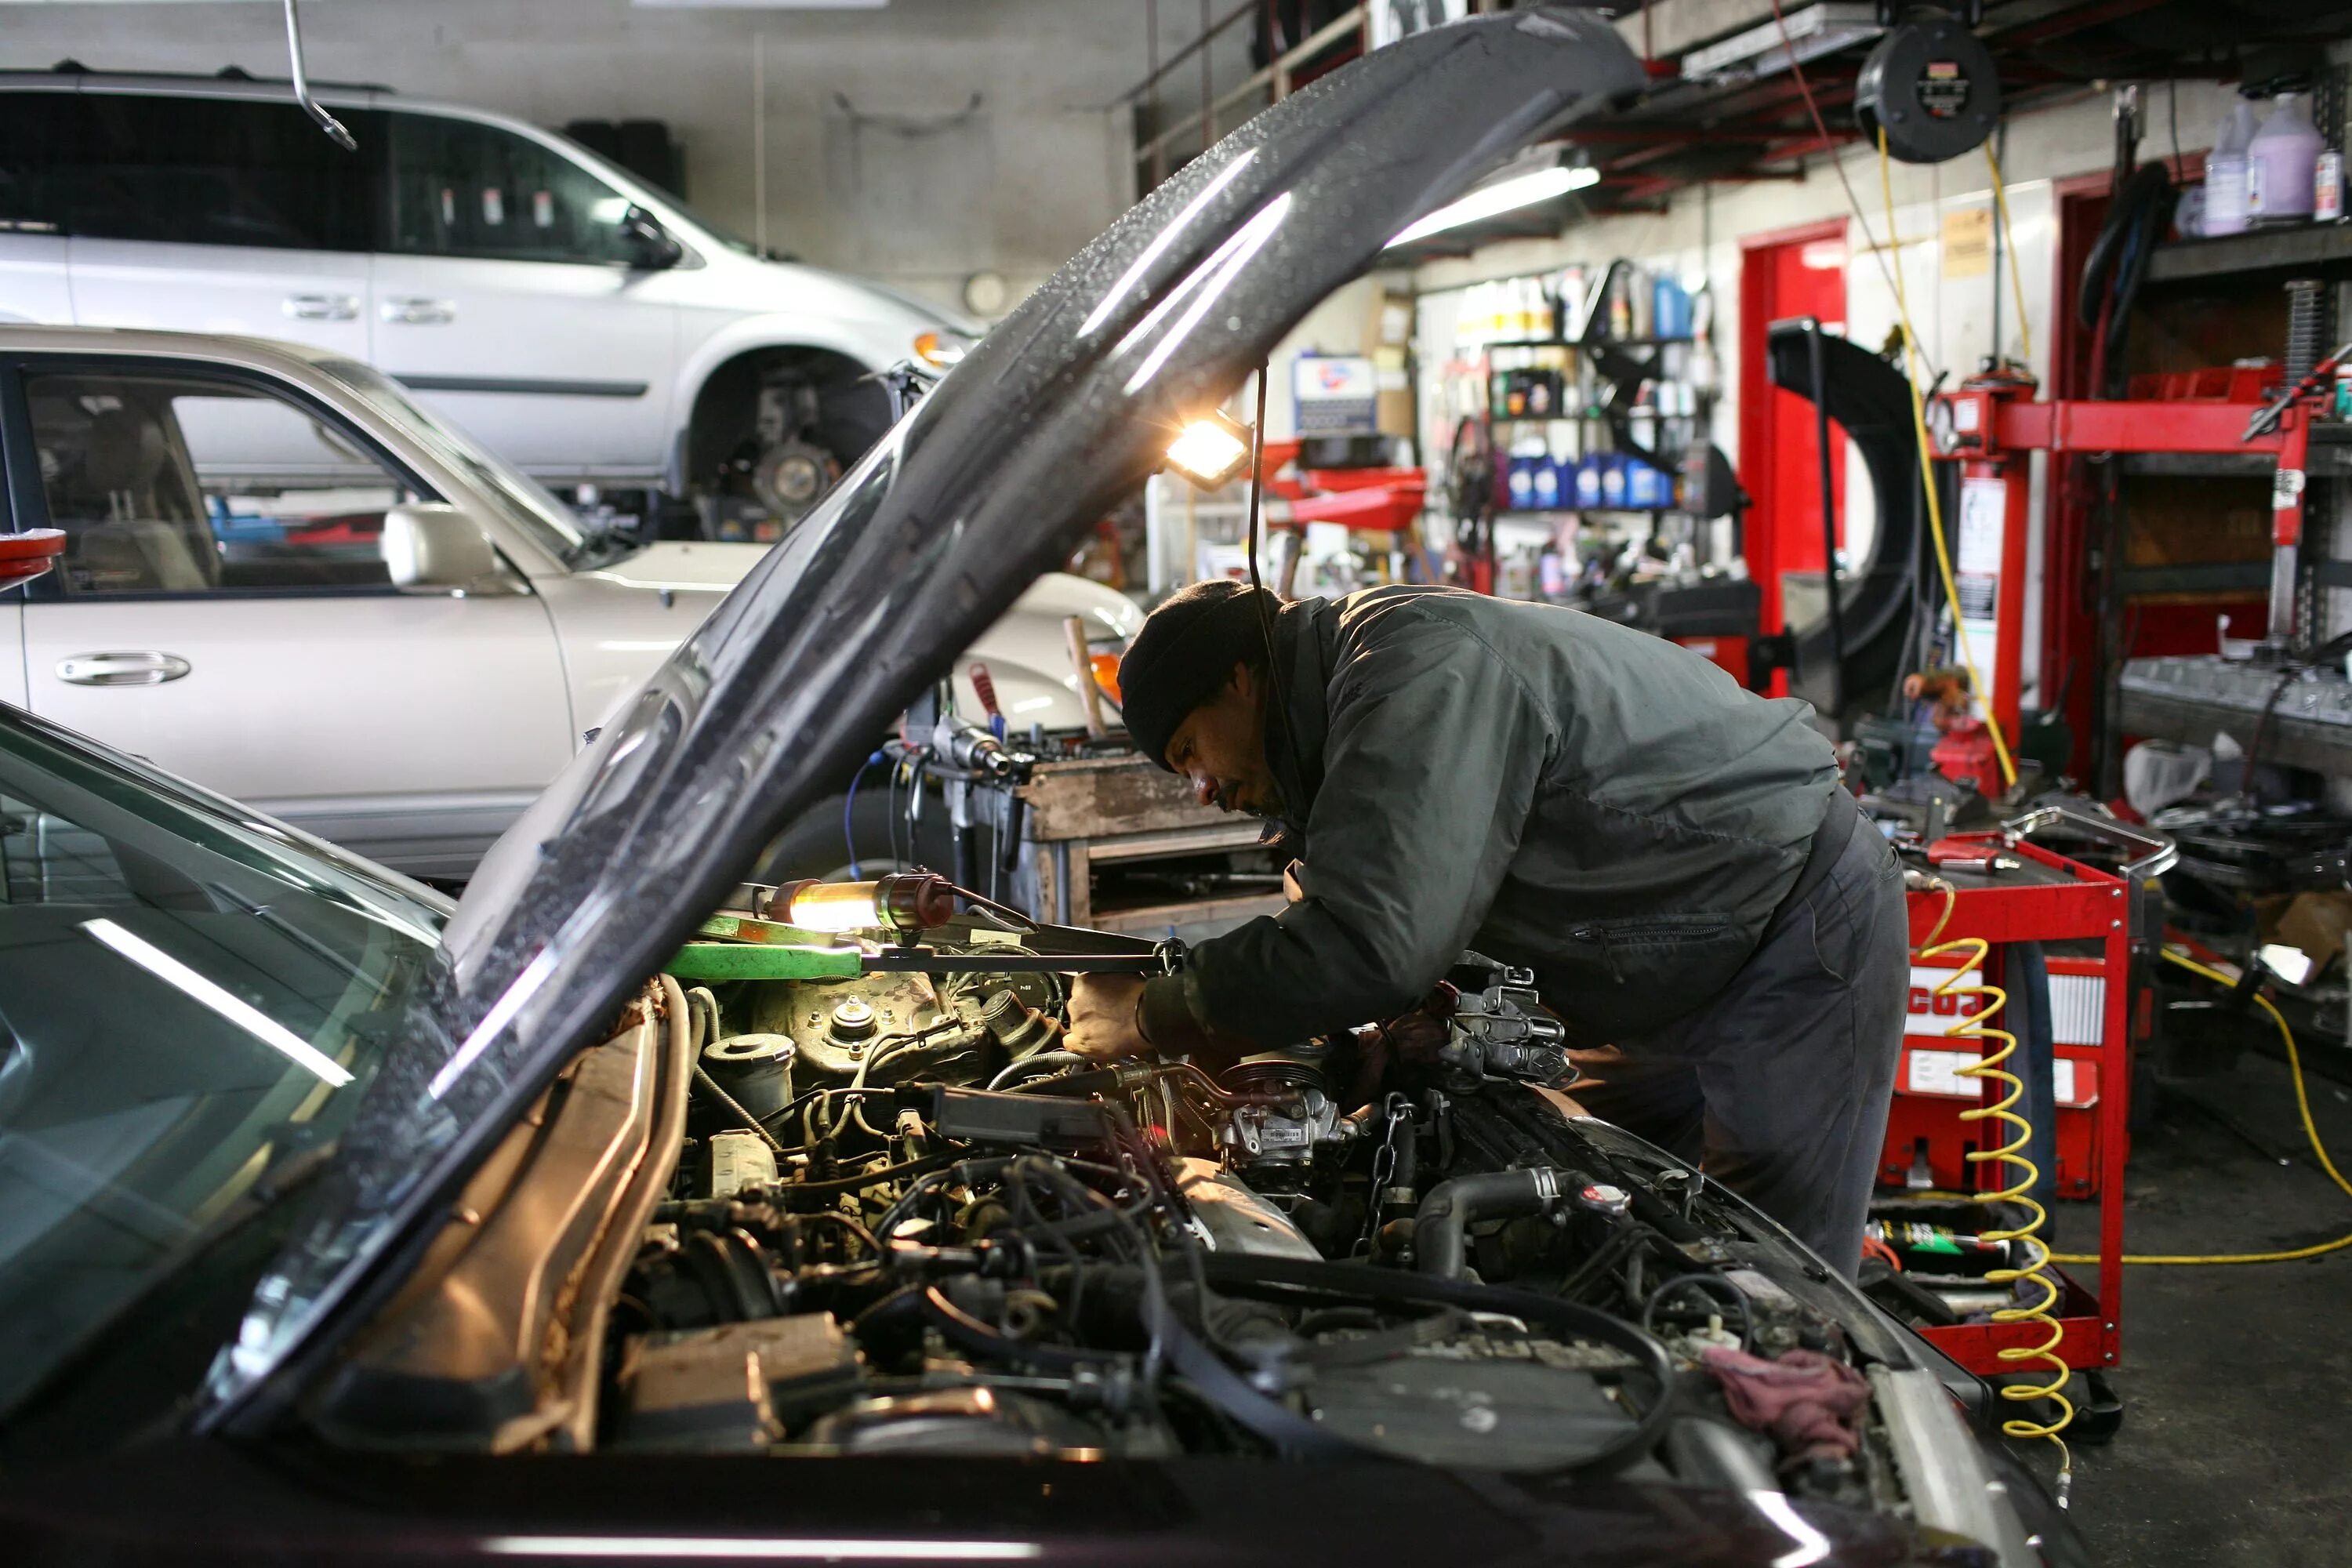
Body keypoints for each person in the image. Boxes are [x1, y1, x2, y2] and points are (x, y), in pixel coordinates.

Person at [1063, 579, 1907, 1279]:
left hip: (1792, 932)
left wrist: (1153, 1012)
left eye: (1188, 750)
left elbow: (1372, 938)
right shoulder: (1334, 726)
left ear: (1240, 680)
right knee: (1583, 1216)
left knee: (1770, 1285)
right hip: (1656, 967)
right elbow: (1398, 895)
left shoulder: (1416, 668)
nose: (1201, 789)